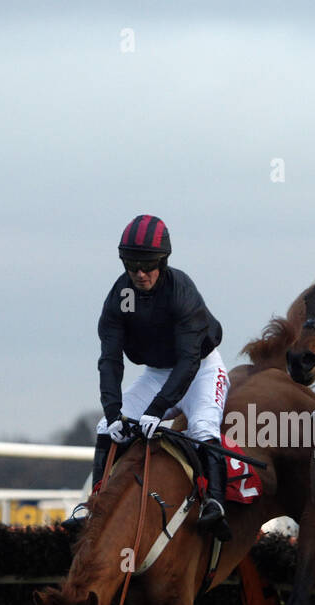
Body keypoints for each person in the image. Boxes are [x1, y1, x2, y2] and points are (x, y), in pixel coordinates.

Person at [62, 214, 232, 541]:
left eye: (148, 265)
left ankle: (215, 504)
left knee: (202, 428)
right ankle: (96, 504)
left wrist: (156, 410)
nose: (140, 273)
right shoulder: (118, 297)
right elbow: (110, 361)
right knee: (105, 428)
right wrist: (113, 412)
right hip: (157, 373)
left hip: (201, 370)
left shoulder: (182, 292)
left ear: (163, 262)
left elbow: (188, 362)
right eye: (131, 264)